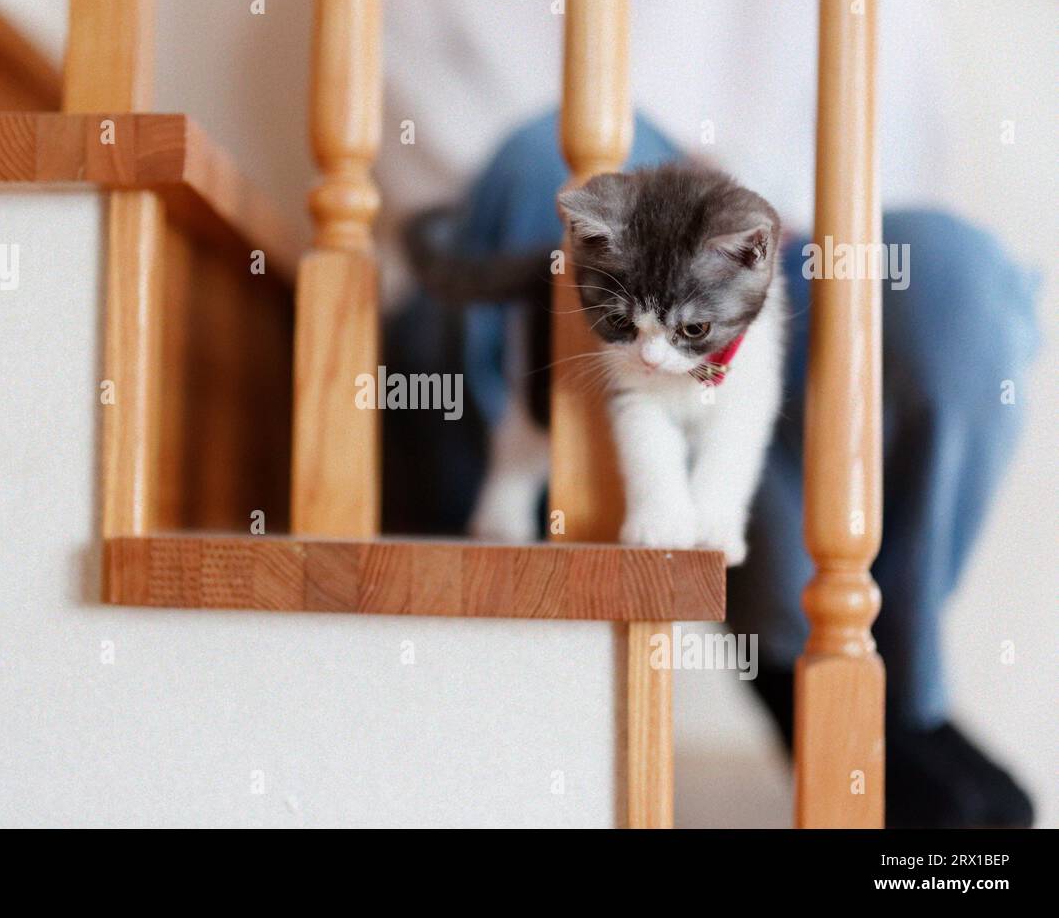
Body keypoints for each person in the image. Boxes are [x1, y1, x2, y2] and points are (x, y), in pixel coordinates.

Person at [384, 107, 1039, 827]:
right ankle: (803, 679)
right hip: (595, 215)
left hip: (784, 239)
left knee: (949, 274)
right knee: (551, 150)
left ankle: (890, 688)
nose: (655, 354)